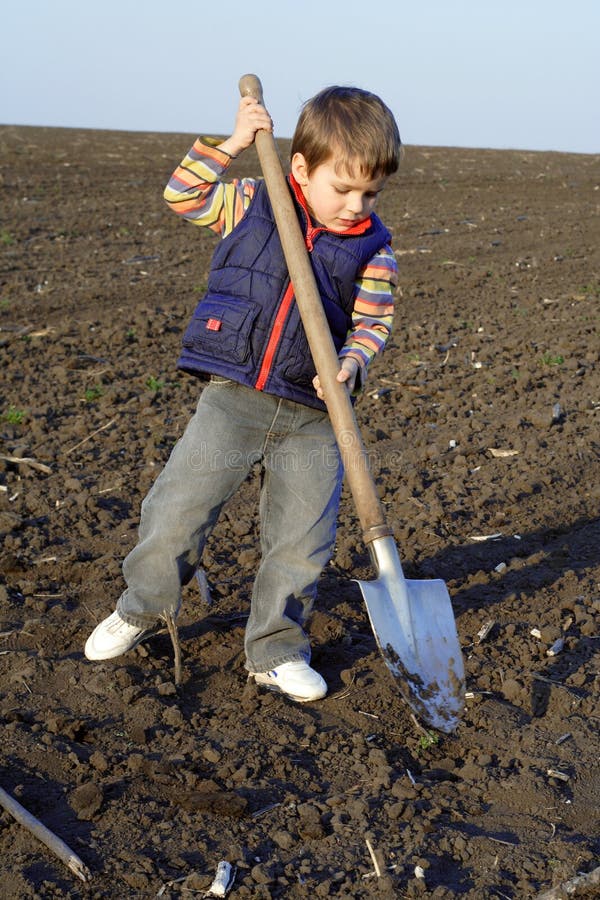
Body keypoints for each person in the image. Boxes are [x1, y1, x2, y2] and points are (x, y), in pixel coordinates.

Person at [84, 85, 401, 702]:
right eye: (343, 188)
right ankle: (144, 607)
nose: (356, 205)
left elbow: (373, 324)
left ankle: (276, 649)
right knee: (177, 510)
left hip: (315, 416)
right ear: (301, 169)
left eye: (371, 193)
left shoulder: (373, 247)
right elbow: (183, 194)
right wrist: (232, 142)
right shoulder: (254, 200)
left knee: (302, 542)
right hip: (234, 399)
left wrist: (351, 363)